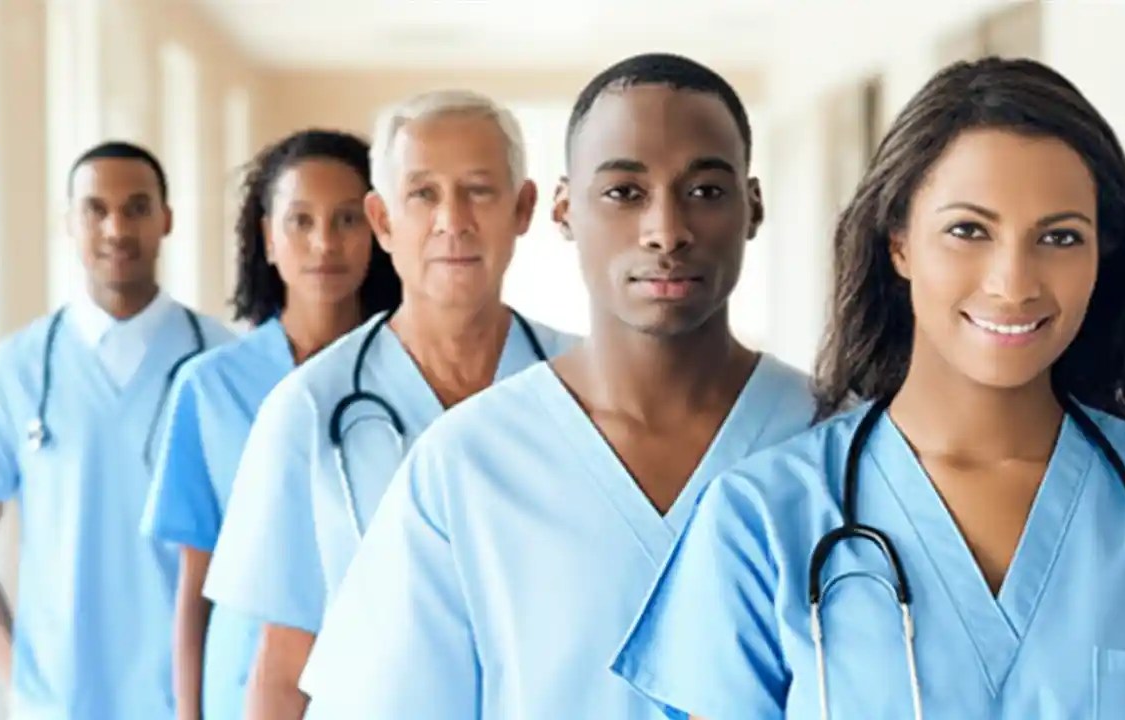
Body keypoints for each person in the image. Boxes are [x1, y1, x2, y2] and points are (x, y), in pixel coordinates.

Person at [610, 56, 1125, 720]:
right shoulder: (765, 519)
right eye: (968, 231)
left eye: (1060, 237)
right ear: (899, 244)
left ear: (1103, 257)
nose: (1013, 281)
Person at [298, 52, 815, 719]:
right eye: (625, 192)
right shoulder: (466, 465)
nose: (667, 231)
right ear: (565, 210)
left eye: (706, 191)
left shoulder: (836, 444)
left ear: (754, 207)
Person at [201, 90, 575, 719]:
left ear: (523, 208)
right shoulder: (309, 408)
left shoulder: (586, 389)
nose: (451, 220)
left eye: (479, 190)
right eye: (423, 194)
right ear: (382, 220)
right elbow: (286, 659)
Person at [139, 130, 401, 720]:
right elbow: (194, 584)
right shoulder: (209, 386)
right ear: (268, 237)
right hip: (243, 686)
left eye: (347, 220)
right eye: (300, 221)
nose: (324, 243)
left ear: (379, 230)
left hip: (384, 680)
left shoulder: (414, 372)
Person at [0, 141, 234, 719]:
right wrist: (20, 674)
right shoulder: (19, 369)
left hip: (187, 703)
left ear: (166, 220)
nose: (116, 227)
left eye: (137, 207)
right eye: (95, 209)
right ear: (70, 222)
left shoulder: (221, 365)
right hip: (58, 705)